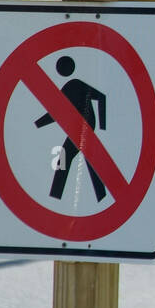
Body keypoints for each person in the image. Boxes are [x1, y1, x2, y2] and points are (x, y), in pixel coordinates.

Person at [34, 55, 108, 202]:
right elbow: (56, 113)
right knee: (88, 160)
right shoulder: (71, 87)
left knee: (64, 158)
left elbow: (101, 97)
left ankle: (55, 197)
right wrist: (38, 124)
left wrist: (102, 125)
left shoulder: (74, 85)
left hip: (83, 130)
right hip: (81, 129)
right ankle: (102, 195)